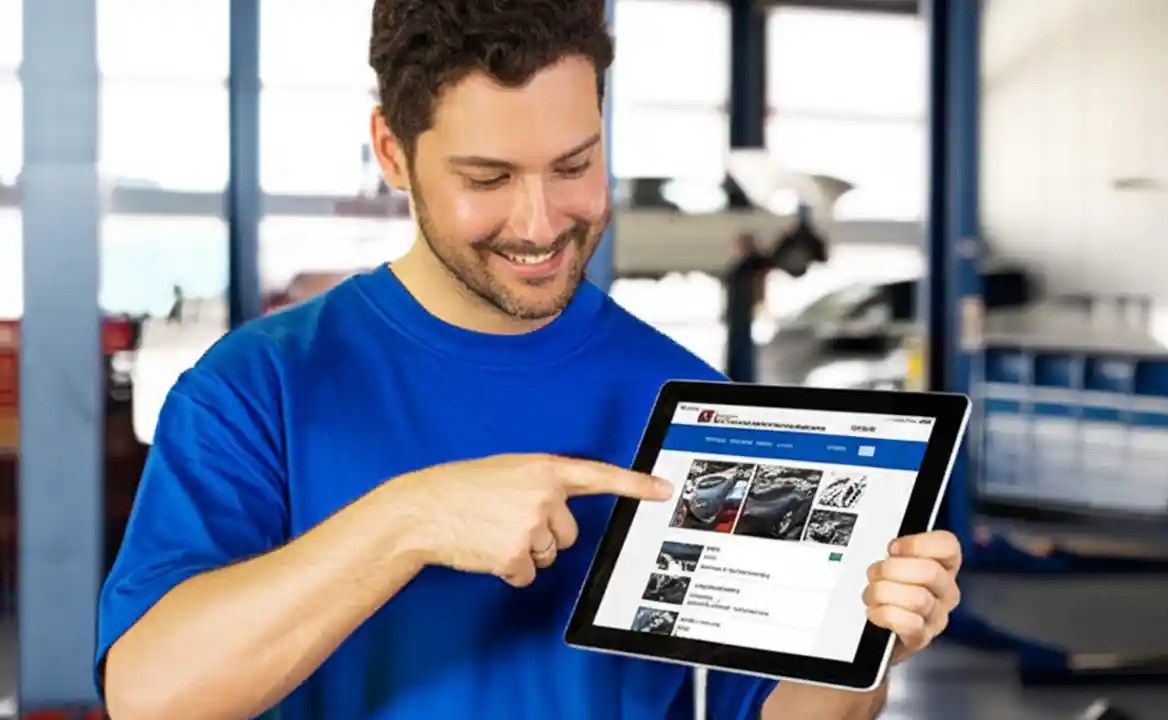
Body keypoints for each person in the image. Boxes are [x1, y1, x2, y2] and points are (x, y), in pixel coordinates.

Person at [96, 2, 963, 718]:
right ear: (393, 151)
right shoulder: (259, 387)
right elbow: (153, 698)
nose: (543, 223)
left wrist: (862, 641)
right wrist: (411, 521)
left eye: (574, 166)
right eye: (487, 178)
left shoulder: (695, 404)